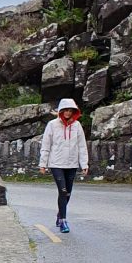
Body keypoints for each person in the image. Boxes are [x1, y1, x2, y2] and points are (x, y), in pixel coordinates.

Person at [38, 97, 89, 233]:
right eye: (65, 110)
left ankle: (60, 213)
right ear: (61, 111)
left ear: (74, 112)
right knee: (63, 190)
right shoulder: (52, 125)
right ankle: (63, 221)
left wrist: (84, 164)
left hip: (72, 164)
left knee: (68, 193)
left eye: (70, 110)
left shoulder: (77, 126)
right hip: (56, 163)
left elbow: (82, 146)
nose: (67, 113)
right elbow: (46, 145)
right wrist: (43, 164)